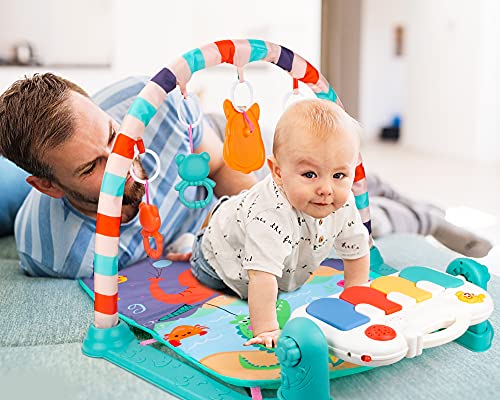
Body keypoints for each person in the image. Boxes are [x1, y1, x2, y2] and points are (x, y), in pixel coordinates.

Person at [0, 73, 256, 278]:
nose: (121, 161)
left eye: (112, 134)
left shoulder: (153, 102)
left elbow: (221, 164)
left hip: (217, 136)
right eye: (90, 167)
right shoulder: (57, 254)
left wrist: (257, 223)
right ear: (47, 187)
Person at [187, 99, 371, 348]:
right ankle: (193, 241)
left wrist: (356, 297)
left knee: (268, 256)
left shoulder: (344, 203)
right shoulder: (269, 216)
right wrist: (267, 329)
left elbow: (357, 251)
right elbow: (260, 277)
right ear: (277, 171)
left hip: (274, 254)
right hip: (218, 263)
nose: (326, 189)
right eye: (310, 174)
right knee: (236, 262)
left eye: (339, 175)